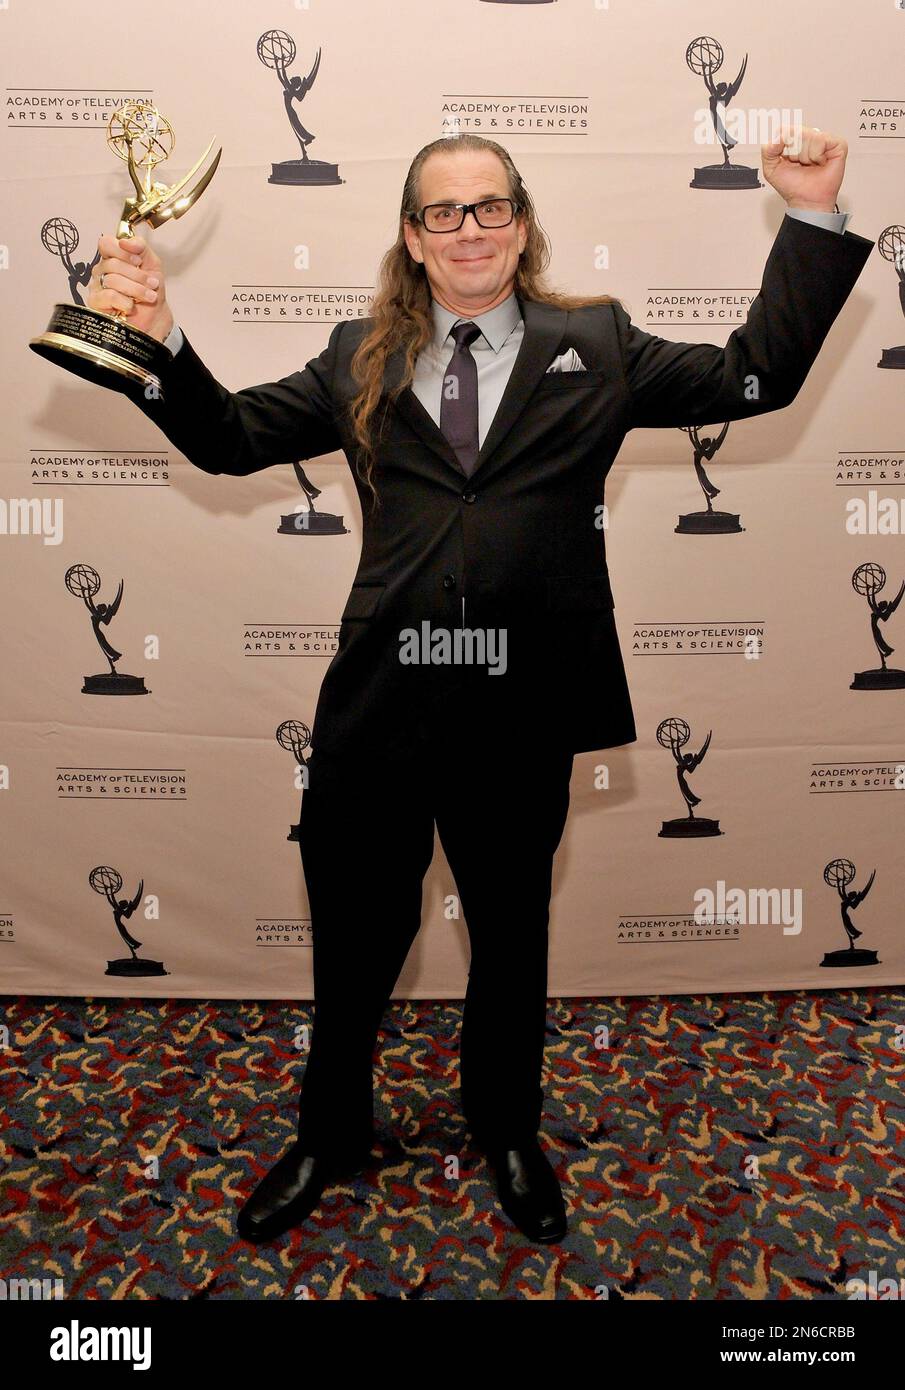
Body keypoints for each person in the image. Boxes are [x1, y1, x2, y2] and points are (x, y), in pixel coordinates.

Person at [87, 129, 873, 1246]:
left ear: (520, 222)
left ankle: (505, 1130)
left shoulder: (592, 342)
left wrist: (809, 213)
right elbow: (225, 439)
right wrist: (156, 340)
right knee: (355, 941)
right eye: (443, 212)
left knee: (509, 938)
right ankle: (328, 1132)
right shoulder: (357, 353)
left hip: (521, 707)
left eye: (489, 207)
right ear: (411, 237)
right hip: (379, 707)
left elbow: (758, 371)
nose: (468, 228)